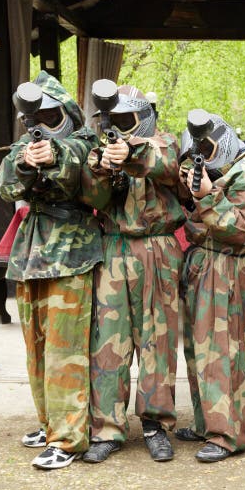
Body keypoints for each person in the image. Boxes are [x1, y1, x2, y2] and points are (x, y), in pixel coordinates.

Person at [0, 71, 101, 469]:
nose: (40, 122)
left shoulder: (86, 141)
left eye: (49, 113)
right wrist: (24, 162)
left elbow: (85, 173)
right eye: (34, 116)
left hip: (72, 254)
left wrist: (54, 155)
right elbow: (5, 186)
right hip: (31, 257)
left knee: (66, 351)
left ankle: (68, 438)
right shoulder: (26, 143)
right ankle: (50, 422)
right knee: (37, 349)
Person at [81, 84, 185, 463]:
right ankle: (107, 429)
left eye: (126, 121)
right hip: (112, 247)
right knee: (108, 343)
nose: (119, 129)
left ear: (145, 117)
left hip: (157, 248)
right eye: (112, 121)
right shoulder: (100, 154)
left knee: (157, 342)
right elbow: (91, 199)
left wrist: (130, 153)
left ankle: (156, 425)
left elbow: (167, 163)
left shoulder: (166, 143)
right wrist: (103, 169)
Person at [174, 111, 245, 462]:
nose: (203, 154)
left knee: (221, 351)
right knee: (198, 351)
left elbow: (241, 230)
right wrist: (196, 191)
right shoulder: (225, 170)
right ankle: (206, 423)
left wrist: (208, 194)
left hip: (225, 264)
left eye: (208, 147)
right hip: (203, 261)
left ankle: (227, 432)